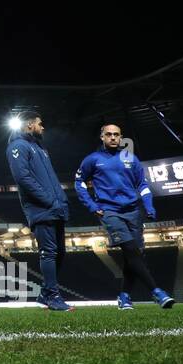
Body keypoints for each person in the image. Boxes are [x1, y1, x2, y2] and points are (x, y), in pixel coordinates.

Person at [75, 124, 175, 309]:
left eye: (116, 135)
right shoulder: (92, 160)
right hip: (109, 212)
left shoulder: (131, 158)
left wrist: (149, 206)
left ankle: (124, 296)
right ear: (102, 137)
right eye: (109, 134)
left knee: (134, 255)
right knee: (131, 251)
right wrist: (91, 205)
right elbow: (79, 183)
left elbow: (143, 185)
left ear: (121, 137)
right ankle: (157, 292)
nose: (113, 137)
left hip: (134, 211)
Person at [6, 111, 73, 311]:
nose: (43, 127)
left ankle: (45, 294)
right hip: (41, 208)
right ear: (29, 124)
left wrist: (60, 200)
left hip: (56, 207)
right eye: (40, 124)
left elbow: (50, 178)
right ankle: (52, 296)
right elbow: (23, 178)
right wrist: (48, 200)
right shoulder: (17, 146)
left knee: (60, 252)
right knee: (49, 252)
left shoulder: (39, 147)